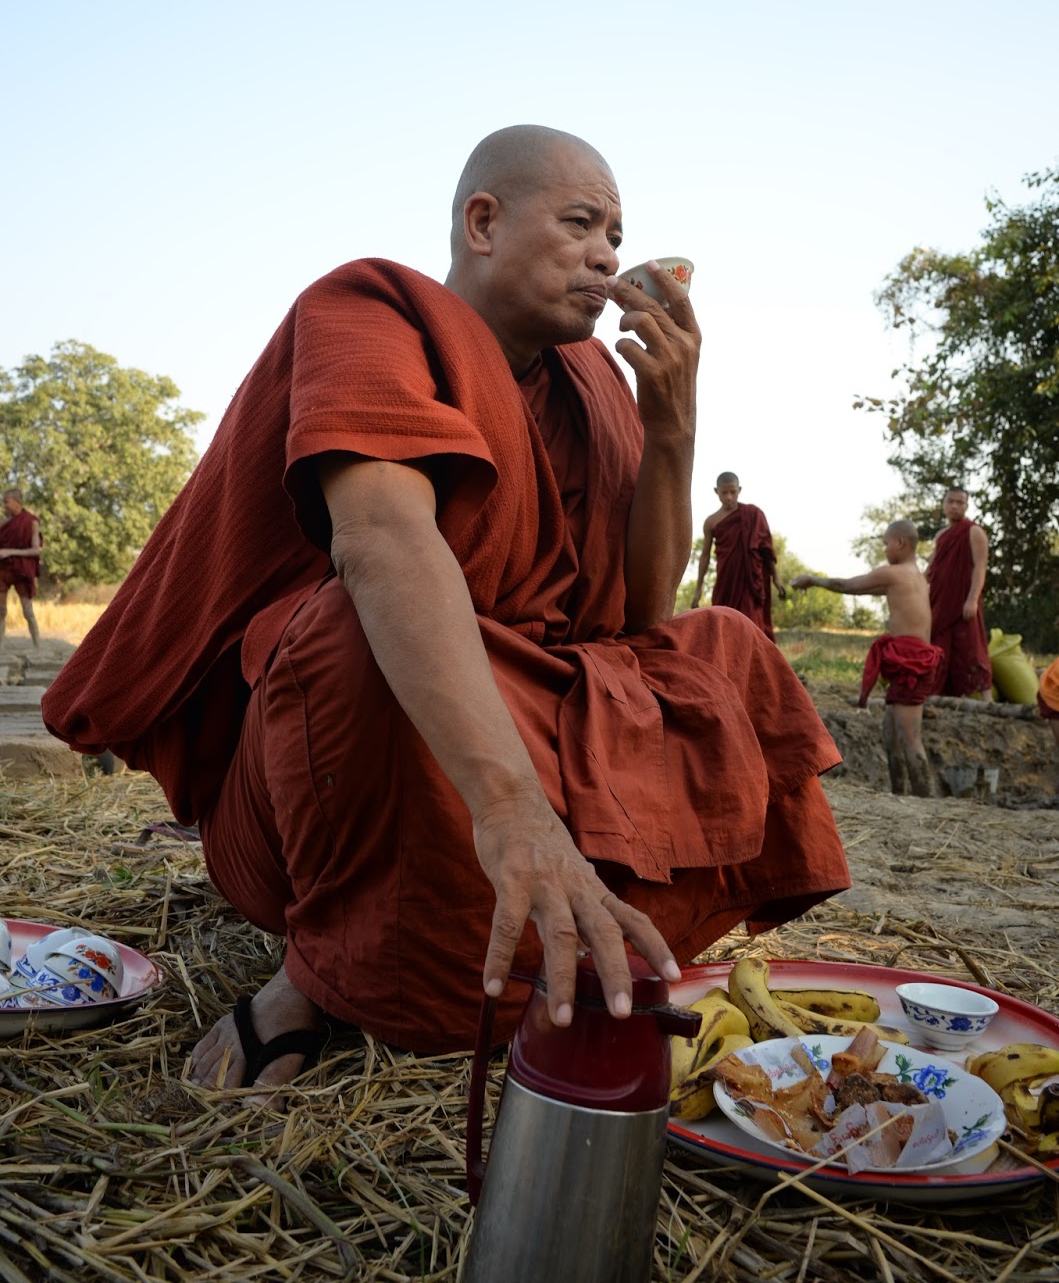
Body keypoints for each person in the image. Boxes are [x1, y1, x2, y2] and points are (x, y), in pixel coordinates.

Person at [43, 125, 850, 1090]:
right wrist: (514, 811)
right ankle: (321, 974)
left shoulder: (592, 383)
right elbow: (382, 541)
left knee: (719, 644)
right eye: (581, 222)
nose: (607, 253)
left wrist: (670, 423)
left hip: (527, 725)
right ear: (482, 222)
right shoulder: (372, 312)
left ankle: (595, 948)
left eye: (617, 233)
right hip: (331, 773)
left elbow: (638, 613)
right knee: (359, 626)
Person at [790, 521, 944, 797]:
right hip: (906, 657)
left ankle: (926, 800)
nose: (885, 550)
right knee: (891, 733)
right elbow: (861, 589)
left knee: (910, 738)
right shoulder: (915, 576)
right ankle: (899, 792)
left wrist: (812, 580)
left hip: (913, 661)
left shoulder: (895, 574)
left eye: (886, 543)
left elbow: (846, 585)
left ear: (899, 543)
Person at [690, 473, 786, 640]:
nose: (729, 497)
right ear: (716, 491)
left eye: (733, 492)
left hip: (751, 583)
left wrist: (776, 578)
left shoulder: (753, 514)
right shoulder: (711, 522)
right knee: (726, 627)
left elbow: (765, 549)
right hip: (726, 581)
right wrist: (698, 588)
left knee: (753, 626)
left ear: (739, 490)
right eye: (724, 493)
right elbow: (705, 555)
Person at [927, 488, 992, 698]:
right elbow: (931, 569)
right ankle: (939, 695)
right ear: (944, 504)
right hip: (940, 601)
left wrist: (972, 599)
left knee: (972, 648)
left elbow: (980, 567)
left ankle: (986, 698)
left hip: (963, 600)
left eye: (960, 502)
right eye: (951, 501)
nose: (955, 506)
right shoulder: (941, 536)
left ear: (966, 506)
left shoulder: (974, 531)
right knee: (938, 646)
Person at [0, 489, 42, 648]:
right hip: (3, 570)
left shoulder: (31, 522)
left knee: (27, 611)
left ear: (16, 502)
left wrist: (10, 551)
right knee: (1, 610)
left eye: (6, 502)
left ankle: (37, 646)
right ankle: (0, 647)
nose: (4, 505)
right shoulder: (3, 523)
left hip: (21, 570)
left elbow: (36, 550)